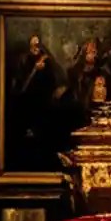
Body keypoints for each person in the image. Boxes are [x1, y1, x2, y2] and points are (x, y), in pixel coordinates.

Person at [7, 32, 66, 171]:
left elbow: (55, 80)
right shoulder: (24, 61)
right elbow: (21, 86)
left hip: (43, 105)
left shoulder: (47, 60)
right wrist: (34, 69)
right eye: (32, 45)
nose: (35, 48)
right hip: (26, 105)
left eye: (37, 45)